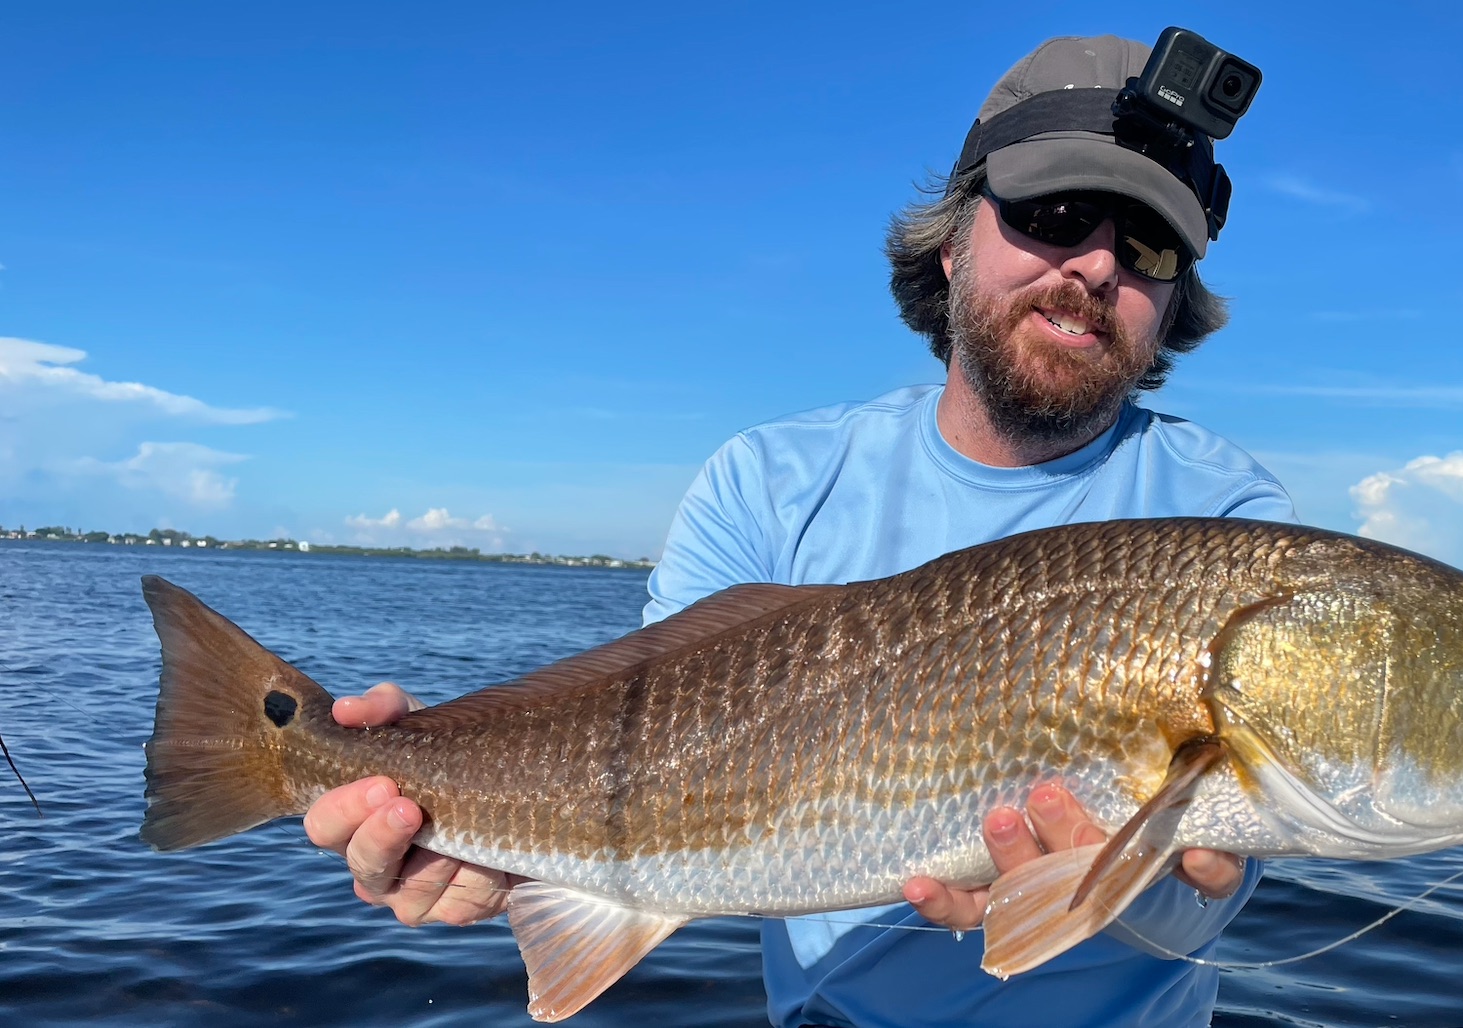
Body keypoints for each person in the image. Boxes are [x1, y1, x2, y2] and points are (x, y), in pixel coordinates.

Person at [304, 32, 1296, 1028]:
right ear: (951, 243)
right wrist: (480, 842)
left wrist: (1143, 888)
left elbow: (1217, 880)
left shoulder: (1231, 526)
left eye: (1149, 247)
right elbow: (653, 760)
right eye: (1054, 213)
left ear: (1171, 303)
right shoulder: (767, 482)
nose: (1091, 263)